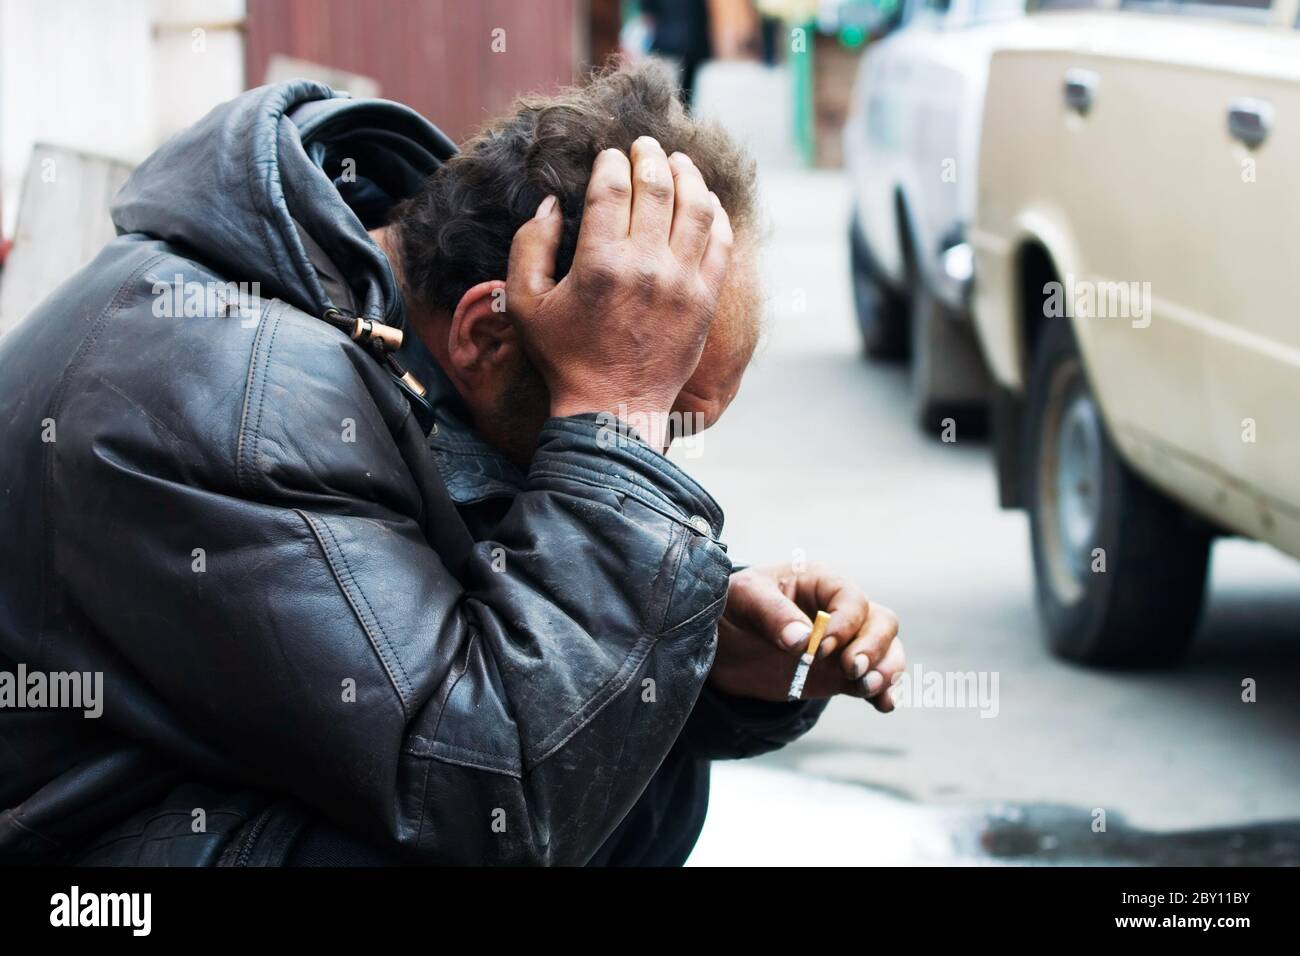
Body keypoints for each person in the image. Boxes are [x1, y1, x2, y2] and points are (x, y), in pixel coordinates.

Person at [0, 62, 902, 866]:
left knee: (638, 770)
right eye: (659, 415)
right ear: (486, 334)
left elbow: (467, 632)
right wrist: (616, 420)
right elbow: (487, 791)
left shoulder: (384, 323)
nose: (661, 446)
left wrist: (708, 659)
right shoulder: (242, 403)